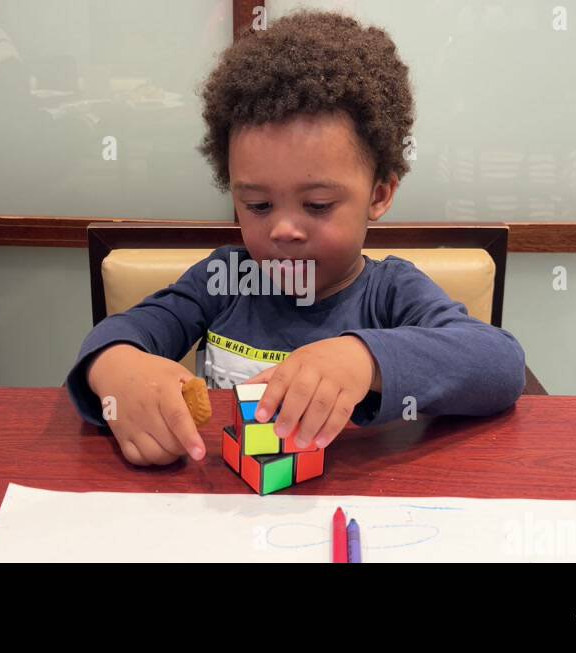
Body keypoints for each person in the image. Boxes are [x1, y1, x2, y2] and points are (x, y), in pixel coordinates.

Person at [66, 11, 525, 466]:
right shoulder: (225, 279)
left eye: (318, 204)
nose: (283, 230)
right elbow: (123, 333)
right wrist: (115, 367)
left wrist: (364, 358)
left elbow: (499, 364)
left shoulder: (391, 292)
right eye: (258, 206)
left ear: (379, 194)